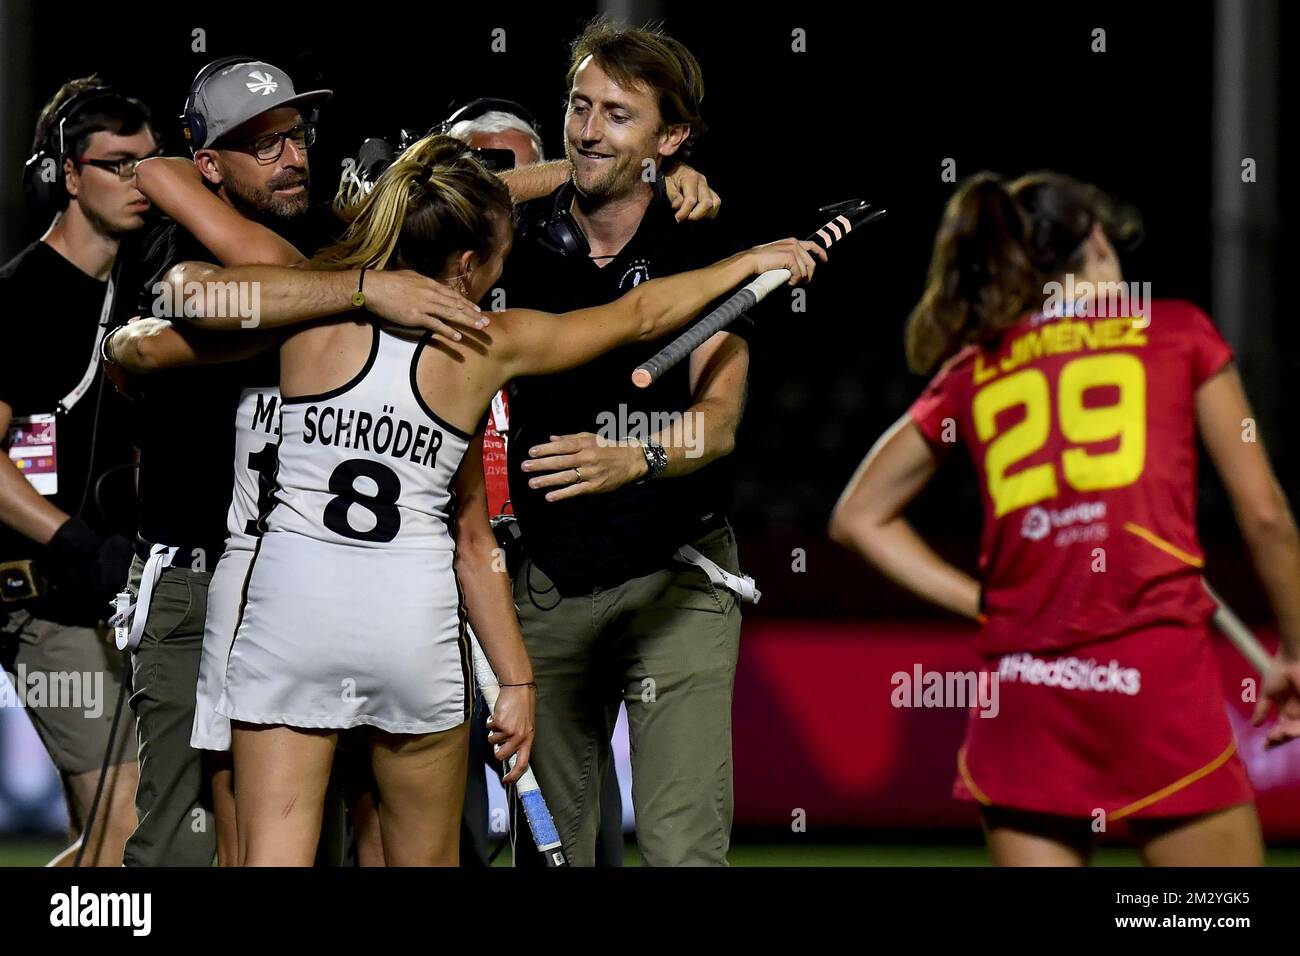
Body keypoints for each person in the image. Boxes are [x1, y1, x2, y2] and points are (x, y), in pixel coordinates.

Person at [158, 133, 821, 865]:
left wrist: (354, 287)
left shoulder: (309, 300)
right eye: (501, 258)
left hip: (291, 610)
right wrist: (747, 262)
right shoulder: (485, 343)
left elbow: (186, 290)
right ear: (468, 264)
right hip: (411, 620)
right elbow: (637, 318)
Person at [829, 171, 1300, 866]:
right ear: (1099, 242)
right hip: (1151, 678)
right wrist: (1294, 649)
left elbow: (857, 517)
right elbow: (1264, 517)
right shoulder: (1174, 330)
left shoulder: (978, 366)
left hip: (1023, 691)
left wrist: (987, 605)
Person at [497, 20, 752, 867]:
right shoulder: (514, 235)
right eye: (579, 107)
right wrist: (619, 166)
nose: (587, 129)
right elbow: (426, 191)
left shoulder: (703, 242)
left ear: (671, 136)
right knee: (552, 856)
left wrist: (633, 458)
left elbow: (718, 421)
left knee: (682, 853)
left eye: (618, 114)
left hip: (676, 578)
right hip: (548, 581)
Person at [0, 77, 155, 866]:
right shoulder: (18, 297)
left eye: (152, 165)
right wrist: (79, 545)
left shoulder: (146, 284)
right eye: (119, 165)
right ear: (66, 174)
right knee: (123, 824)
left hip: (116, 591)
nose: (143, 184)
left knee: (111, 830)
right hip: (47, 594)